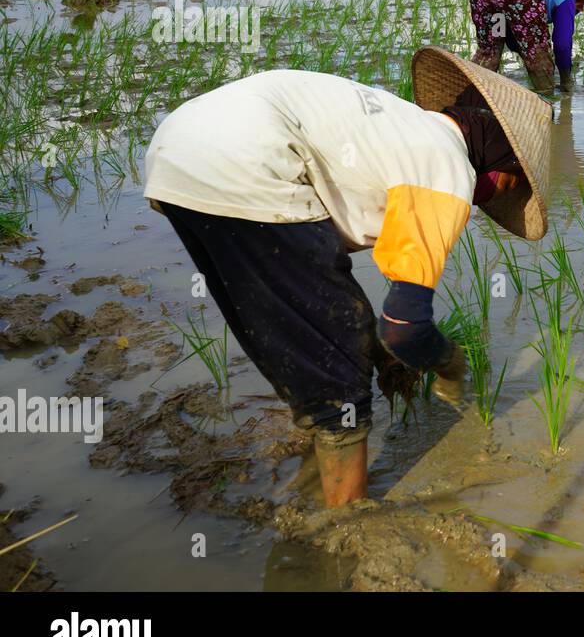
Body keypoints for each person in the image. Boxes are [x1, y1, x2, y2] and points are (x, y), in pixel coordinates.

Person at [142, 49, 552, 507]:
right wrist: (448, 363)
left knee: (306, 335)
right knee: (339, 385)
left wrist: (373, 347)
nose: (486, 201)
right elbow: (404, 325)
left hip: (176, 152)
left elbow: (315, 278)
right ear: (496, 160)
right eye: (506, 186)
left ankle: (315, 472)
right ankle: (347, 524)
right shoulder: (447, 169)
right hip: (251, 161)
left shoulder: (403, 129)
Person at [467, 0, 584, 96]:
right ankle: (546, 106)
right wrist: (566, 80)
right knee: (536, 52)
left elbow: (508, 29)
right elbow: (562, 44)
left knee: (489, 50)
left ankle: (468, 99)